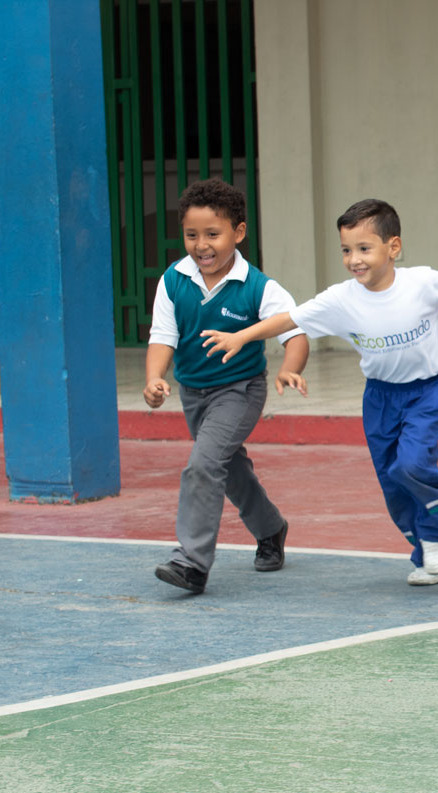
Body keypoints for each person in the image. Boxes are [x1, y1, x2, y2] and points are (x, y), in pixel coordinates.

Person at [201, 198, 438, 586]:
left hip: (425, 392)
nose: (354, 259)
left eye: (364, 248)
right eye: (346, 250)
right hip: (379, 399)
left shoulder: (420, 283)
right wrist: (242, 336)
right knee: (392, 484)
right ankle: (427, 553)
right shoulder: (341, 299)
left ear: (393, 247)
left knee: (411, 465)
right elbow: (289, 319)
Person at [144, 178, 309, 594]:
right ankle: (270, 529)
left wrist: (289, 368)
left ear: (238, 232)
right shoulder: (174, 279)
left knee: (203, 465)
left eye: (212, 234)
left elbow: (295, 332)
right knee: (229, 468)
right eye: (191, 235)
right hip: (193, 393)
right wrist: (154, 377)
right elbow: (162, 335)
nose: (201, 245)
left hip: (240, 390)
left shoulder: (259, 286)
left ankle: (192, 563)